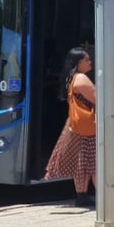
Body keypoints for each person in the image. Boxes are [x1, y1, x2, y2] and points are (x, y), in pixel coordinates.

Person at [45, 47, 97, 207]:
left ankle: (82, 195)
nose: (90, 62)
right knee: (95, 162)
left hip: (75, 123)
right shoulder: (81, 78)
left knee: (81, 162)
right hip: (86, 125)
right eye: (87, 59)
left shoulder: (71, 78)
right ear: (79, 62)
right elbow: (98, 99)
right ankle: (104, 196)